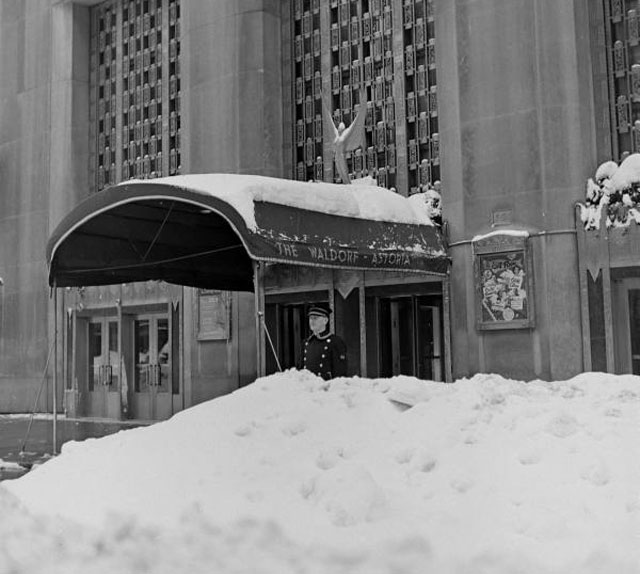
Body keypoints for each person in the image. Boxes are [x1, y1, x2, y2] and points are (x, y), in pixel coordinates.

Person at [301, 305, 347, 380]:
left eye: (315, 318)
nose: (312, 321)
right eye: (310, 318)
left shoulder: (335, 342)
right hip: (308, 387)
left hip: (325, 388)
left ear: (325, 320)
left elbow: (339, 373)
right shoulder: (306, 343)